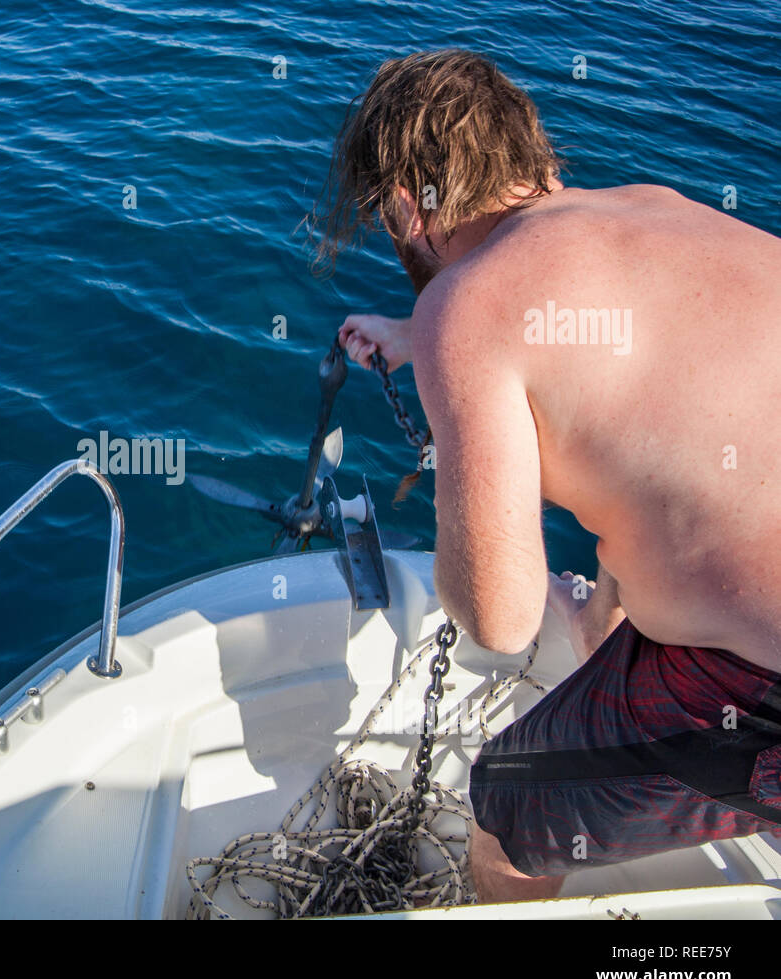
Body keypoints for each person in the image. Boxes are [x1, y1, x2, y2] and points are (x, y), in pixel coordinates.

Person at [311, 49, 781, 902]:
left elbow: (499, 616)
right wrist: (429, 342)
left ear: (410, 209)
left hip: (765, 690)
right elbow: (655, 390)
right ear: (538, 162)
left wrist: (445, 343)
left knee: (506, 807)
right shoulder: (655, 209)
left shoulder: (462, 305)